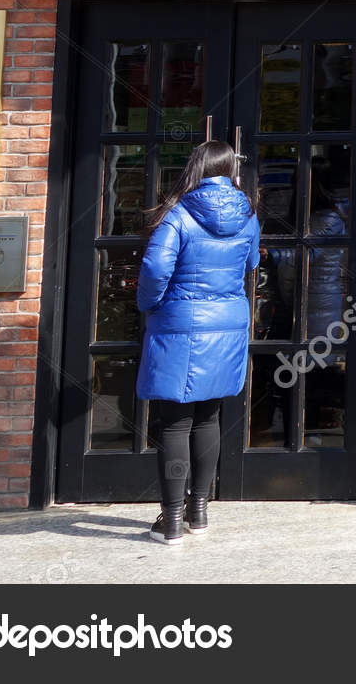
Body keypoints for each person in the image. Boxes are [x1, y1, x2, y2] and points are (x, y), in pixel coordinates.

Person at [136, 140, 260, 545]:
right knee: (209, 416)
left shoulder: (179, 214)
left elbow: (156, 266)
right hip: (226, 323)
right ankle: (199, 512)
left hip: (181, 324)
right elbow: (252, 263)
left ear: (196, 168)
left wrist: (149, 303)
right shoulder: (247, 215)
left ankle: (171, 520)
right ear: (229, 171)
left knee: (174, 422)